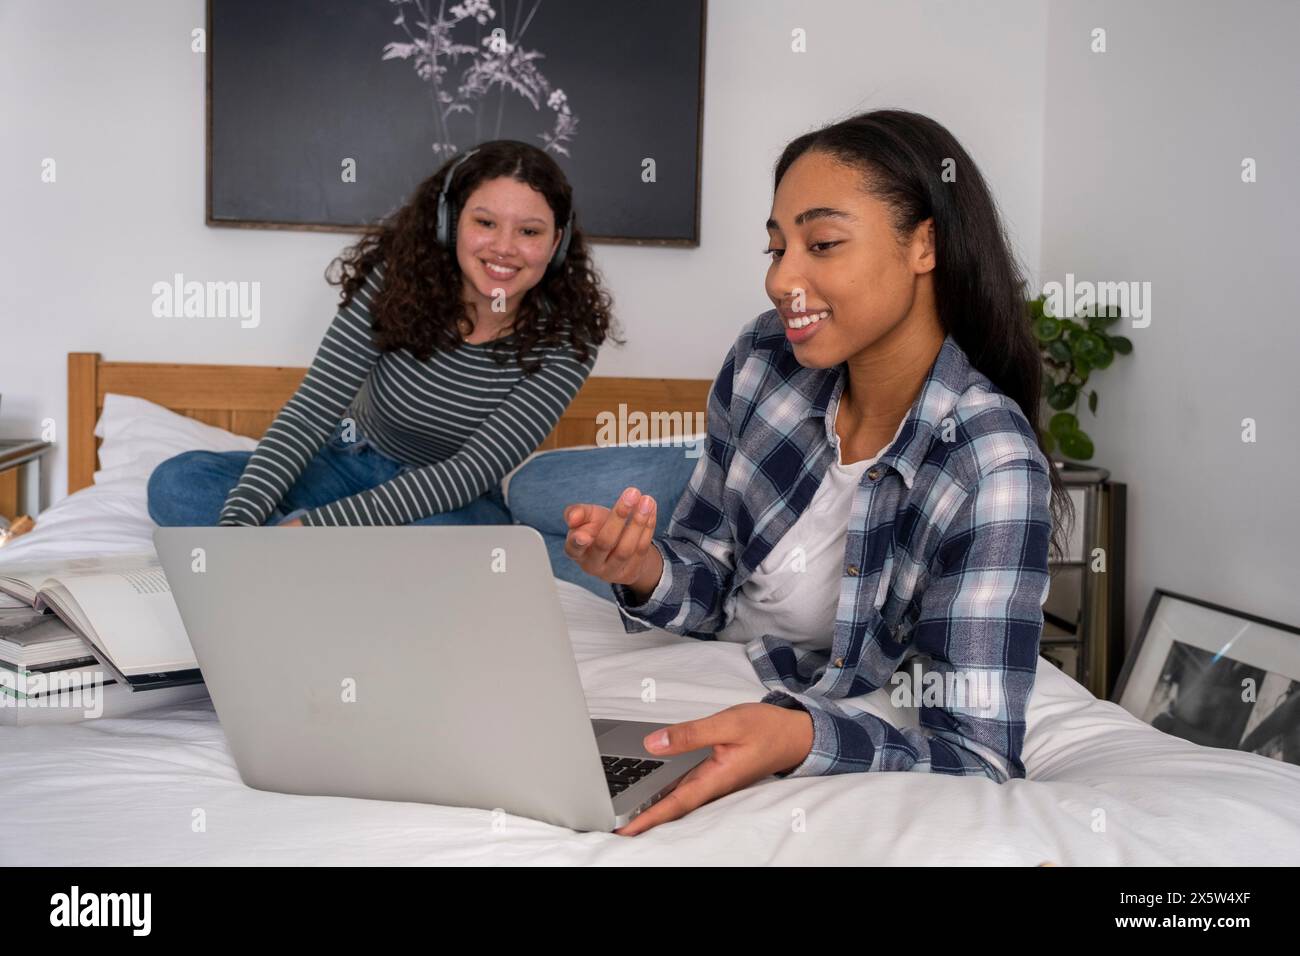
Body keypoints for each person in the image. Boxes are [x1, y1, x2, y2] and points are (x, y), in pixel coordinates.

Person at [562, 110, 1075, 835]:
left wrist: (801, 736)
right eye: (776, 248)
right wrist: (643, 566)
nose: (782, 280)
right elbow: (708, 577)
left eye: (822, 243)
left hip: (818, 712)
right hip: (717, 668)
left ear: (925, 244)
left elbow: (977, 755)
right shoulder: (764, 361)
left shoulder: (989, 460)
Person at [148, 140, 617, 528]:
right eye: (485, 222)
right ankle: (333, 565)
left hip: (446, 498)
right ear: (450, 223)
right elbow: (312, 412)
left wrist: (315, 528)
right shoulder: (395, 281)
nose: (503, 248)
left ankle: (303, 562)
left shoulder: (569, 339)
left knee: (448, 546)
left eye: (529, 232)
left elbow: (468, 472)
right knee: (177, 483)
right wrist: (238, 527)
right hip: (346, 461)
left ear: (555, 243)